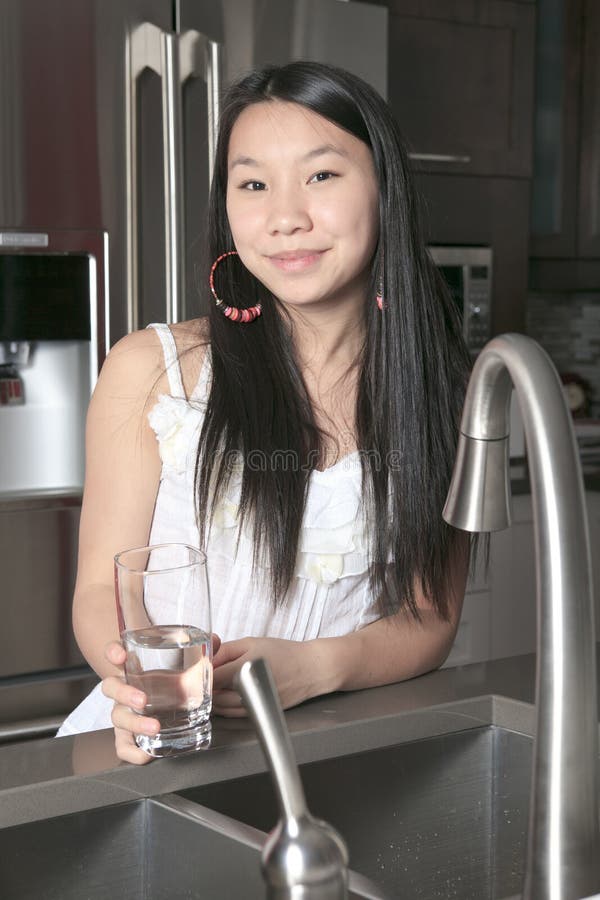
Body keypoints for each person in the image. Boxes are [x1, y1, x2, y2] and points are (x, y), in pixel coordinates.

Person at [56, 60, 472, 764]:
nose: (285, 218)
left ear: (384, 190)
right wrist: (139, 684)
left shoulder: (443, 392)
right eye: (253, 184)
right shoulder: (156, 371)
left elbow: (430, 614)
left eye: (322, 176)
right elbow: (100, 588)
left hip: (328, 757)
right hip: (148, 745)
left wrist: (316, 667)